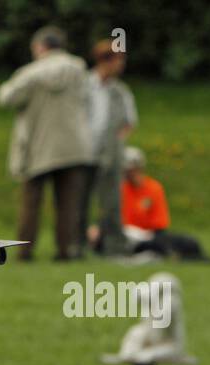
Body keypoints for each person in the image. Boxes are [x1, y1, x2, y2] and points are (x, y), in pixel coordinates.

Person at [0, 25, 92, 261]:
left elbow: (5, 98)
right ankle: (65, 252)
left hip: (39, 147)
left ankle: (25, 252)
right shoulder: (79, 70)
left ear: (40, 47)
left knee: (31, 203)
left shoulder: (31, 73)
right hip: (74, 146)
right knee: (69, 205)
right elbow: (90, 98)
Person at [81, 39, 136, 256]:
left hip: (111, 154)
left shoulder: (121, 92)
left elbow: (129, 122)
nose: (121, 65)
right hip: (83, 152)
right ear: (105, 61)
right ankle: (79, 245)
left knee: (111, 202)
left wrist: (115, 143)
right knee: (79, 202)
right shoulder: (84, 86)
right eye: (118, 60)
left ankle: (113, 246)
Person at [117, 147, 203, 260]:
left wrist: (147, 233)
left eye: (131, 170)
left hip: (151, 235)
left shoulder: (153, 188)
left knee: (188, 242)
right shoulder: (121, 190)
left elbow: (160, 223)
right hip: (127, 235)